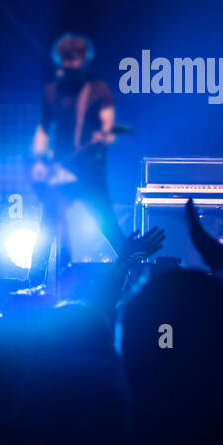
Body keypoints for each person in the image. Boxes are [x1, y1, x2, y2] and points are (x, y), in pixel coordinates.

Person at [27, 33, 127, 285]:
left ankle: (135, 277)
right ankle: (32, 286)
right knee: (47, 229)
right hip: (59, 170)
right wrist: (38, 159)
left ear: (84, 61)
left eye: (74, 59)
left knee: (107, 226)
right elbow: (42, 128)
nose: (69, 64)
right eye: (65, 60)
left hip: (89, 171)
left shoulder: (97, 90)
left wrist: (103, 135)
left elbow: (108, 127)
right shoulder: (50, 92)